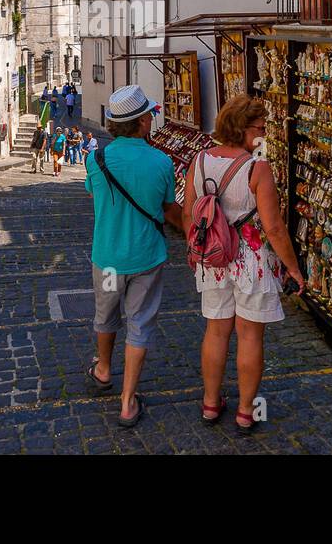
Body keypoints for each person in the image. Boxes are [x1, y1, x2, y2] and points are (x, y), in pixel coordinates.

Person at [183, 94, 304, 432]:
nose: (265, 133)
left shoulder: (200, 161)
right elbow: (274, 227)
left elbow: (189, 213)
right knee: (250, 336)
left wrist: (197, 251)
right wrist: (293, 268)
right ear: (243, 128)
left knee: (216, 330)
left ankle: (210, 403)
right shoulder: (257, 168)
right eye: (261, 128)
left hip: (214, 258)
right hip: (249, 260)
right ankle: (246, 411)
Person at [85, 84, 182, 427]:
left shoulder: (95, 160)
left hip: (109, 257)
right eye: (150, 116)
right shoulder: (161, 162)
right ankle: (127, 402)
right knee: (139, 323)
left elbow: (94, 195)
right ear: (142, 122)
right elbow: (169, 209)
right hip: (146, 258)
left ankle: (103, 369)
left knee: (106, 313)